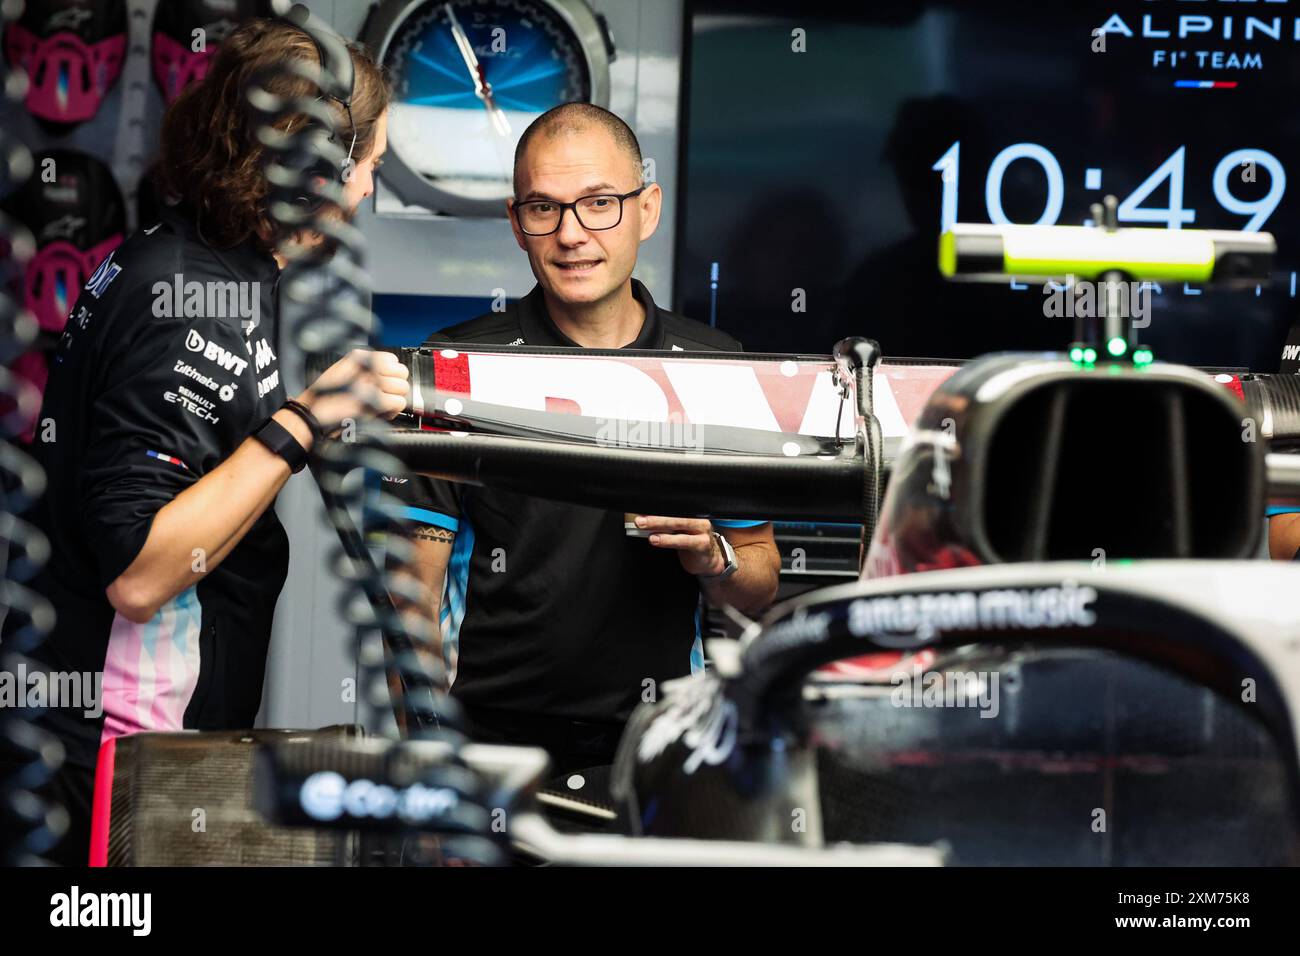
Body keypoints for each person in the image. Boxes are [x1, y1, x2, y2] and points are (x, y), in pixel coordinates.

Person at [0, 17, 409, 865]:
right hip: (114, 755)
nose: (369, 190)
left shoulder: (208, 266)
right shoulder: (188, 296)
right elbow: (142, 574)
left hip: (134, 741)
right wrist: (302, 420)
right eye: (367, 165)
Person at [385, 104, 781, 776]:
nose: (571, 234)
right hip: (487, 747)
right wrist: (430, 782)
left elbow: (759, 577)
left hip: (658, 741)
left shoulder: (719, 368)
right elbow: (411, 600)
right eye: (544, 208)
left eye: (599, 203)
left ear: (646, 210)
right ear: (516, 223)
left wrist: (711, 556)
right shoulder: (455, 368)